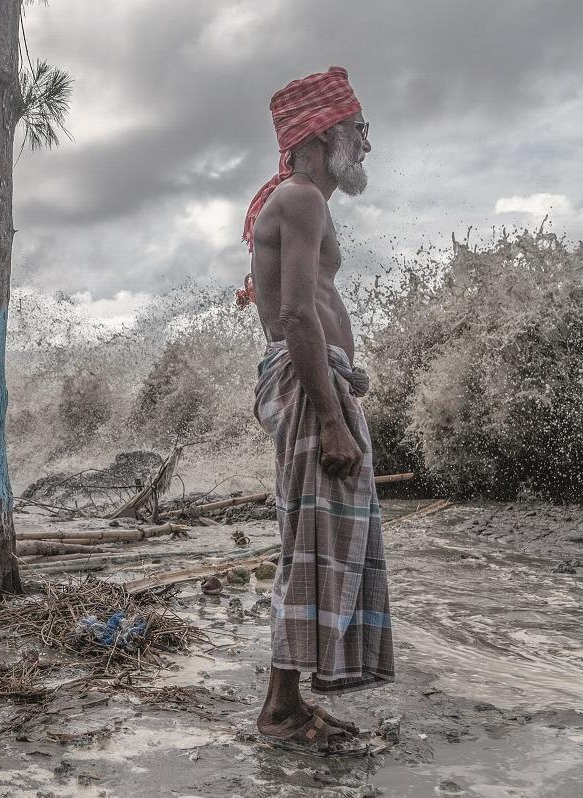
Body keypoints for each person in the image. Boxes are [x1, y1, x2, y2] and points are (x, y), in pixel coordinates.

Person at [242, 66, 393, 757]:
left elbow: (300, 310)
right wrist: (332, 418)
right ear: (323, 133)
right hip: (311, 387)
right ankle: (280, 710)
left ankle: (288, 700)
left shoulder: (298, 201)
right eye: (359, 129)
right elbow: (299, 314)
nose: (367, 143)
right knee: (314, 542)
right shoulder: (302, 198)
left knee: (315, 540)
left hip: (315, 382)